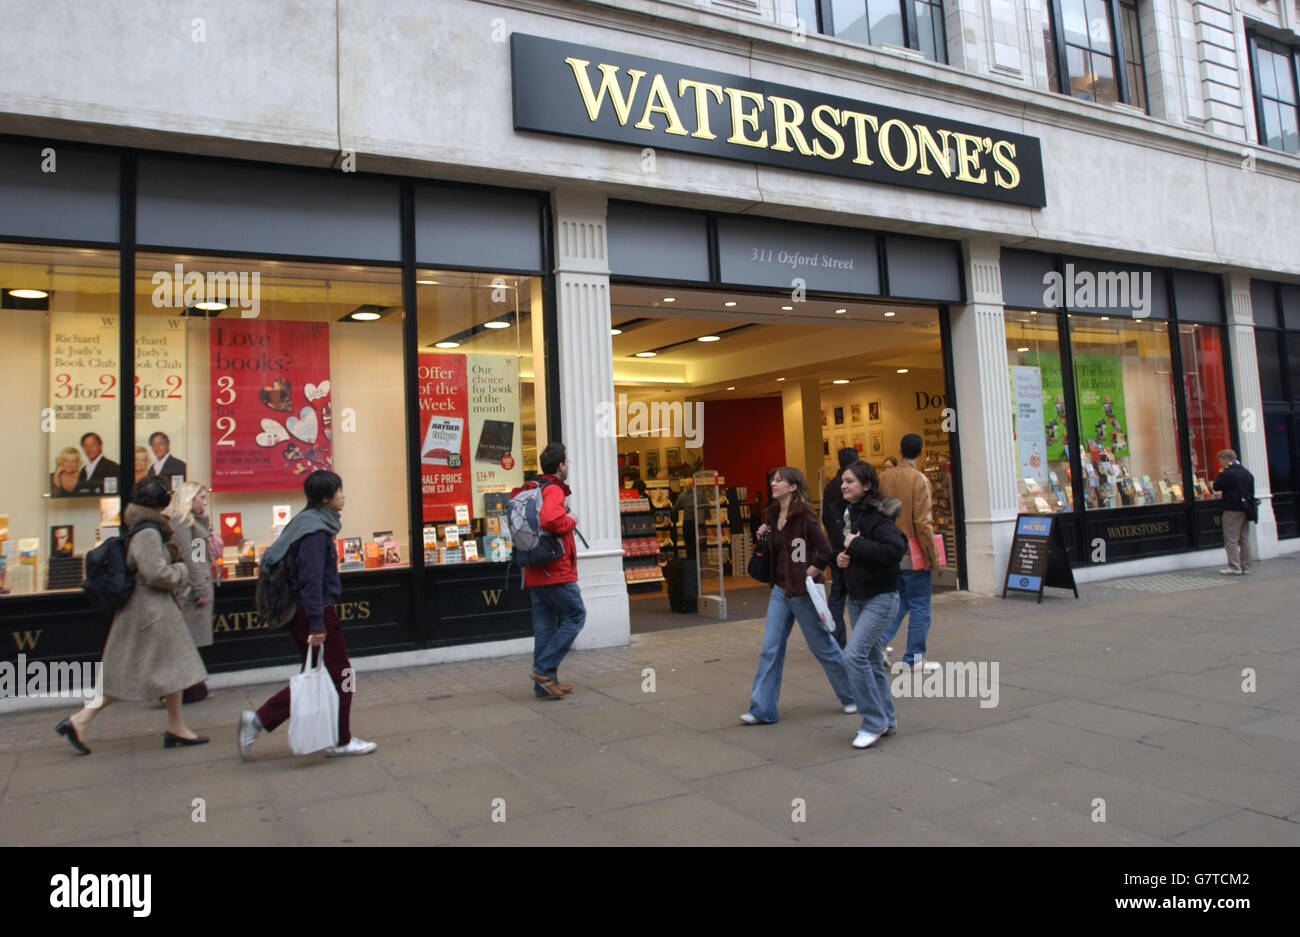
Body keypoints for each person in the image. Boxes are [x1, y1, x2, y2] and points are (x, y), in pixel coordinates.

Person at [55, 475, 209, 755]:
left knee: (173, 669)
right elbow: (155, 572)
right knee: (134, 672)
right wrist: (182, 573)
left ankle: (176, 727)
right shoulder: (148, 532)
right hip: (151, 611)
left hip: (151, 609)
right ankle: (79, 720)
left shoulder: (143, 527)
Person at [238, 471, 376, 758]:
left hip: (308, 613)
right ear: (325, 498)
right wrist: (317, 624)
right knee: (343, 675)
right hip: (315, 614)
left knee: (317, 674)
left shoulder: (305, 522)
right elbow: (311, 581)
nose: (344, 496)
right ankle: (340, 739)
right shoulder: (314, 532)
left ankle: (261, 720)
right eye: (339, 492)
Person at [741, 465, 857, 725]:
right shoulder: (771, 515)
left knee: (823, 647)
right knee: (770, 648)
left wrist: (809, 572)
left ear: (793, 487)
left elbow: (826, 549)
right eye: (772, 480)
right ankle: (762, 709)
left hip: (802, 592)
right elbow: (778, 551)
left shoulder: (804, 515)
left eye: (779, 481)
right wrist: (763, 538)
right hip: (780, 591)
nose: (773, 484)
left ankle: (853, 695)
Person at [832, 461, 907, 748]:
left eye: (849, 481)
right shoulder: (851, 513)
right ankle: (887, 720)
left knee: (854, 656)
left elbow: (894, 550)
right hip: (858, 598)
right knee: (873, 660)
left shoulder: (878, 517)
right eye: (842, 481)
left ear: (866, 485)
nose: (843, 485)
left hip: (881, 598)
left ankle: (873, 722)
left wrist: (854, 545)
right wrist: (842, 557)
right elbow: (852, 548)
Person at [513, 441, 585, 700]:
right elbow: (551, 521)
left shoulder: (532, 487)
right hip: (554, 570)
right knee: (576, 615)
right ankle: (543, 671)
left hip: (534, 570)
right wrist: (572, 519)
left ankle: (544, 683)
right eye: (566, 462)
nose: (568, 466)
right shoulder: (553, 489)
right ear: (559, 466)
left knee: (545, 628)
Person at [879, 433, 940, 671]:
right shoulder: (919, 480)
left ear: (900, 449)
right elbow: (922, 521)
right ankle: (914, 657)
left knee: (900, 601)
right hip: (912, 549)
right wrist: (931, 555)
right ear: (921, 451)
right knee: (919, 604)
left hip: (888, 550)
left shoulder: (883, 478)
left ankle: (880, 644)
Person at [168, 481, 221, 703]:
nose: (204, 502)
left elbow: (199, 555)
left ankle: (193, 686)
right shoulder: (181, 522)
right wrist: (200, 587)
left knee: (191, 642)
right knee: (188, 641)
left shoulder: (195, 522)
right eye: (200, 497)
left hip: (199, 585)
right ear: (189, 498)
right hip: (191, 591)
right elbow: (192, 557)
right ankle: (182, 688)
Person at [821, 447, 860, 649]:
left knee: (837, 594)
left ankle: (837, 638)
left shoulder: (830, 487)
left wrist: (835, 544)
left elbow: (826, 519)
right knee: (858, 595)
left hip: (837, 548)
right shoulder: (857, 485)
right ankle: (862, 642)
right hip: (854, 548)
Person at [1213, 448, 1256, 575]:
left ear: (1226, 459)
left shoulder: (1228, 473)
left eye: (1220, 460)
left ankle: (1234, 567)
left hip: (1232, 508)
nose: (1220, 463)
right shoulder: (1246, 473)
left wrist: (1221, 473)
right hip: (1246, 509)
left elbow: (1216, 486)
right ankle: (1246, 566)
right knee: (1244, 539)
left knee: (1231, 538)